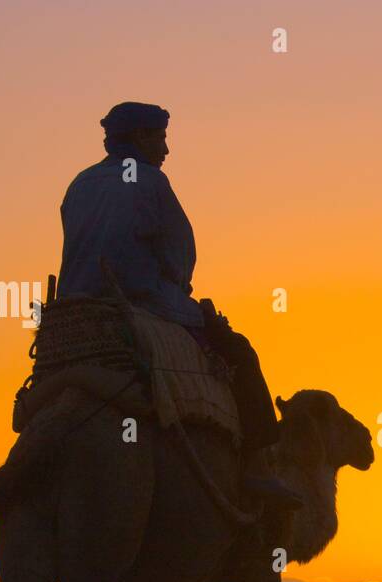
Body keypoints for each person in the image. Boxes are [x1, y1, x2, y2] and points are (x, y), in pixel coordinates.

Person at [57, 101, 300, 508]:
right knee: (238, 351)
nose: (166, 150)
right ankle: (257, 466)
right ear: (140, 137)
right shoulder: (152, 182)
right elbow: (179, 257)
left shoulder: (79, 183)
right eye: (161, 138)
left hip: (75, 313)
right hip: (142, 303)